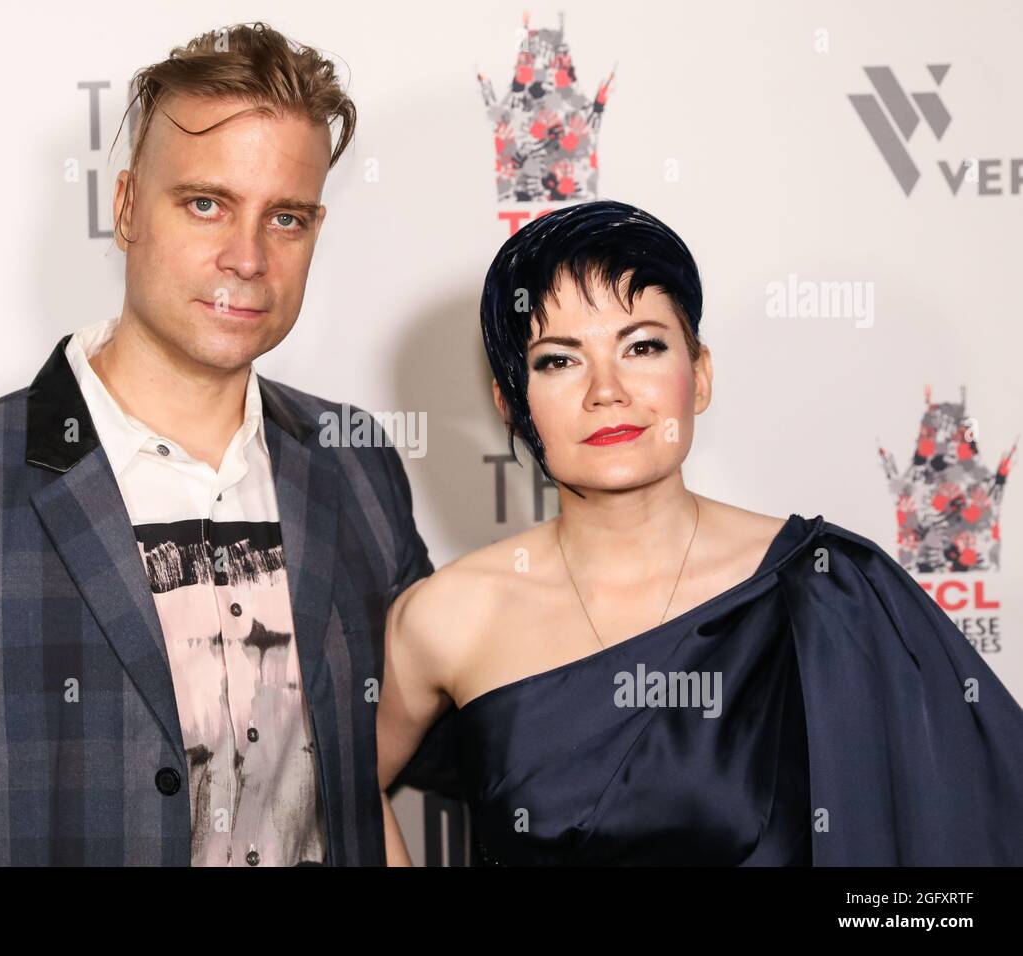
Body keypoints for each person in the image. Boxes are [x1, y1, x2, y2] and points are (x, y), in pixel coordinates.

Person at [0, 22, 436, 866]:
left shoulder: (356, 465)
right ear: (129, 206)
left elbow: (452, 752)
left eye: (285, 217)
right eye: (206, 203)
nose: (247, 257)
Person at [378, 200, 1023, 866]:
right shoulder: (448, 616)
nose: (607, 390)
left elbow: (969, 828)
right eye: (559, 361)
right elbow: (330, 786)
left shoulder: (826, 588)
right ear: (512, 406)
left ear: (701, 374)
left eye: (644, 346)